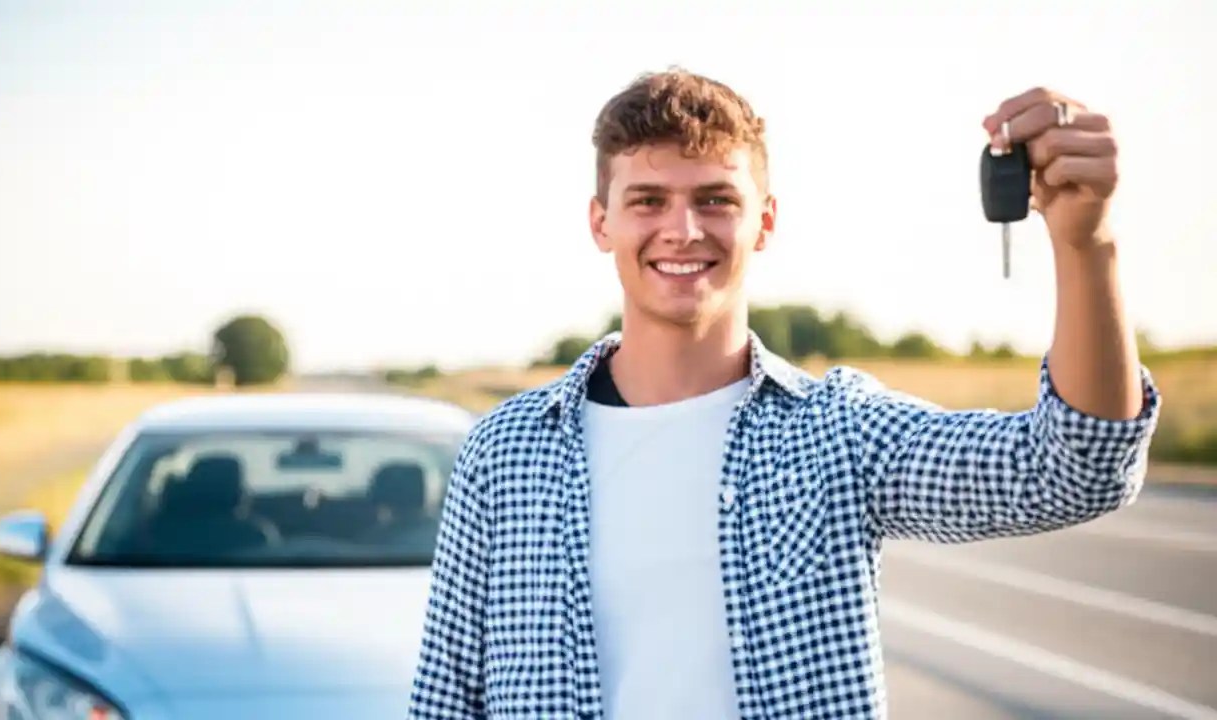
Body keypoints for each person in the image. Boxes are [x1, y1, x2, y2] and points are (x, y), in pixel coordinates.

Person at [407, 68, 1161, 719]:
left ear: (763, 222)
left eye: (715, 199)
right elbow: (445, 698)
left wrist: (1085, 243)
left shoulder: (839, 434)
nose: (682, 229)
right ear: (600, 222)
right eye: (647, 201)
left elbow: (1073, 471)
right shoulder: (505, 452)